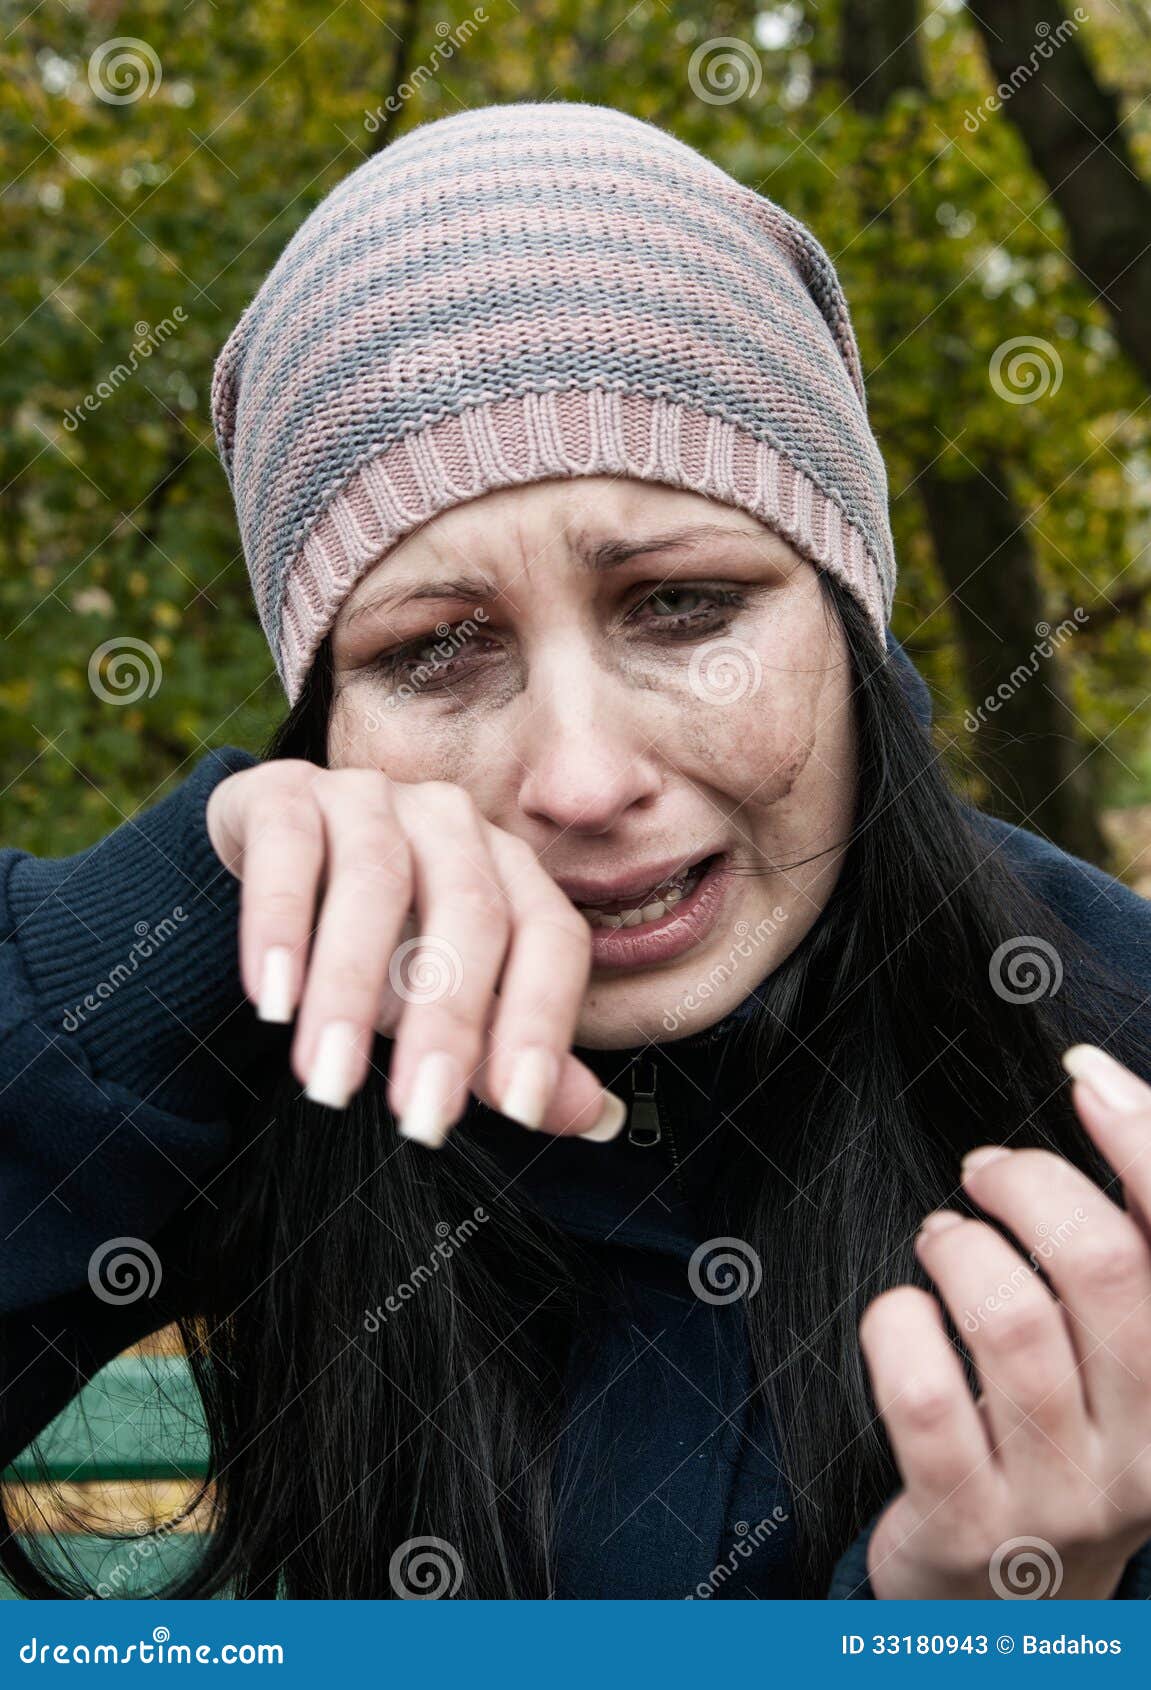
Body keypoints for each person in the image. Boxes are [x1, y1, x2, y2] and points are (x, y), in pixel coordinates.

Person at [3, 101, 1151, 1602]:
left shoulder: (1112, 1053)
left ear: (847, 619)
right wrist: (130, 963)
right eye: (438, 649)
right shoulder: (218, 1054)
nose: (583, 778)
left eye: (680, 606)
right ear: (326, 718)